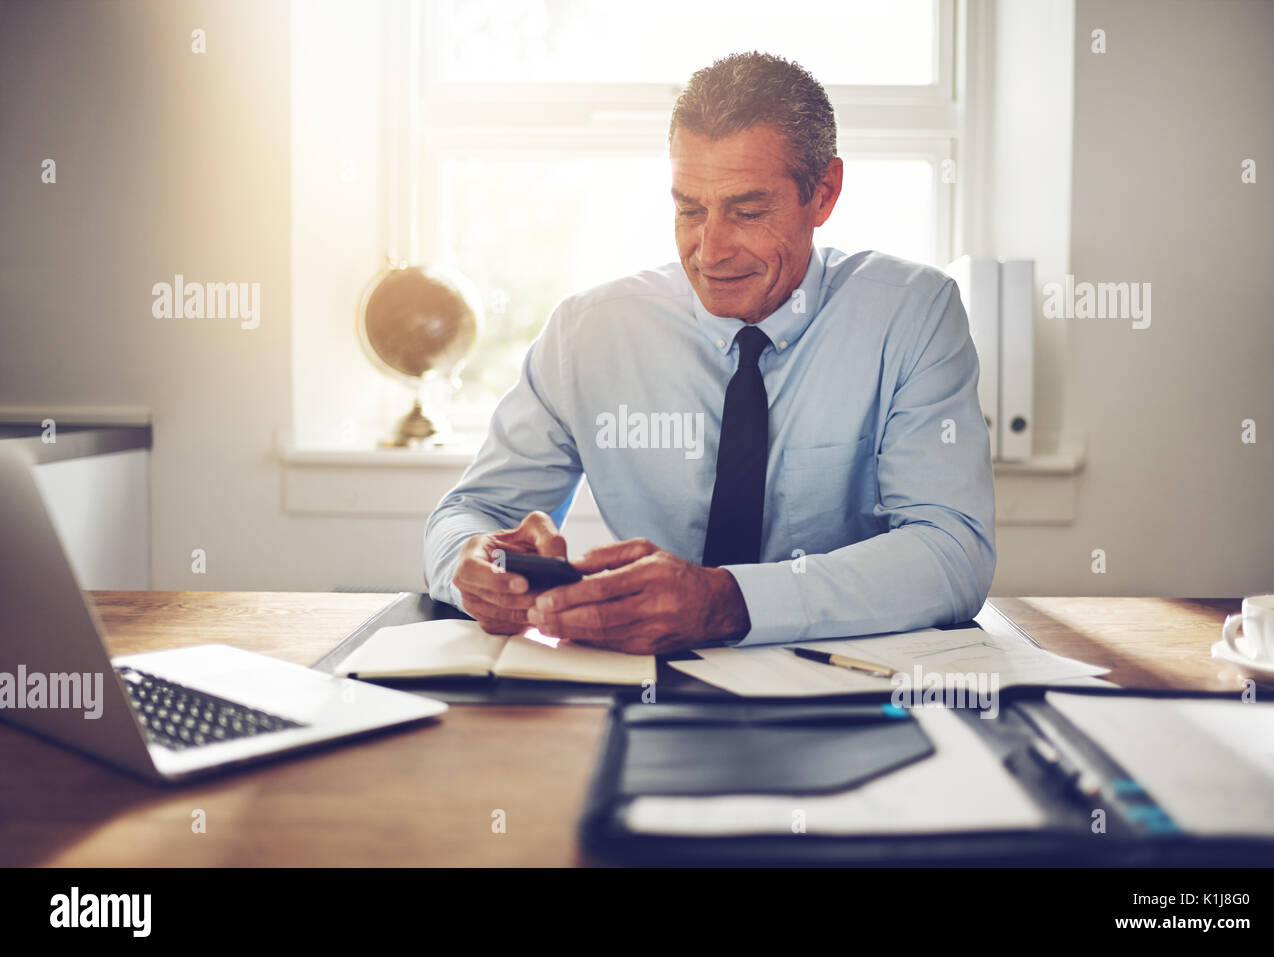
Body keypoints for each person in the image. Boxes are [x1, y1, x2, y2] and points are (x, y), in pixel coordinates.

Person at [423, 52, 994, 655]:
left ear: (824, 194)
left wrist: (728, 602)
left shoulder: (913, 314)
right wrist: (471, 568)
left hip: (848, 682)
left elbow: (950, 551)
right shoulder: (588, 333)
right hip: (642, 682)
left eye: (747, 212)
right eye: (688, 210)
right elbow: (475, 510)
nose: (710, 250)